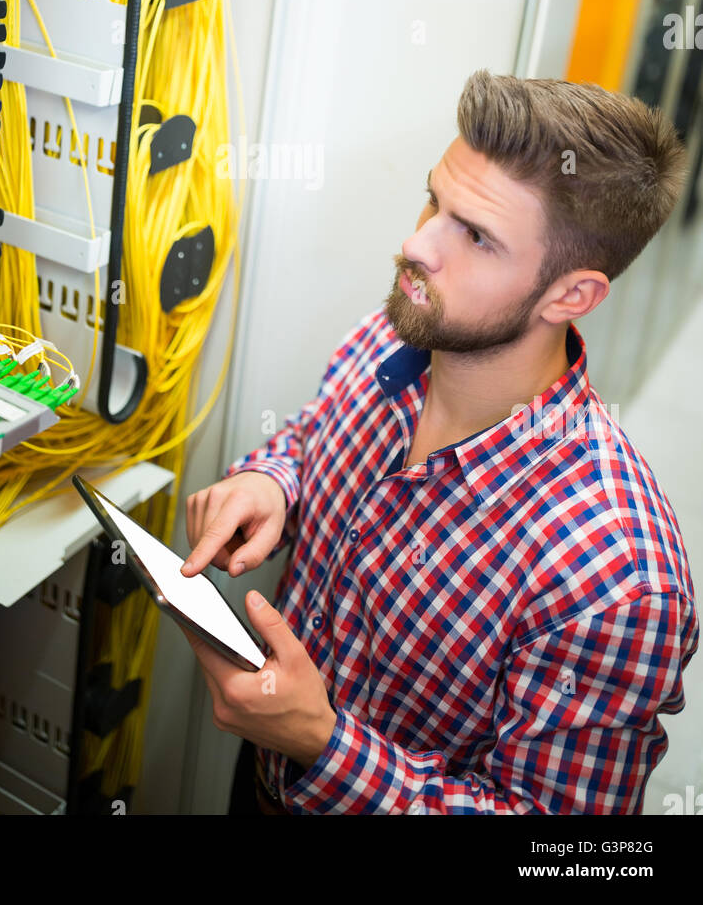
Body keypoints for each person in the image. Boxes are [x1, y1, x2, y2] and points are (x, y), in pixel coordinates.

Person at [178, 69, 700, 814]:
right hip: (264, 784)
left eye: (477, 235)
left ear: (571, 295)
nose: (416, 244)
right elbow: (313, 435)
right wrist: (274, 483)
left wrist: (323, 745)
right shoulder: (403, 326)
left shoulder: (615, 581)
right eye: (434, 199)